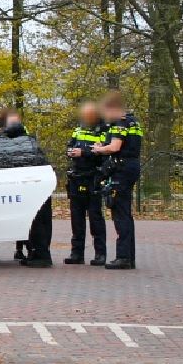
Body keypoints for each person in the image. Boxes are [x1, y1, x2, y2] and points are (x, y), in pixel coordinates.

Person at [91, 92, 143, 270]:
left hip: (122, 170)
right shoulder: (133, 121)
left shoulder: (120, 124)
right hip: (131, 166)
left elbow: (115, 147)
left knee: (120, 213)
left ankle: (123, 257)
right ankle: (129, 256)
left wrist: (99, 149)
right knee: (126, 213)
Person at [63, 101, 108, 266]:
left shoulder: (103, 129)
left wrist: (84, 152)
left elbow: (103, 153)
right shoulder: (79, 127)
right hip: (77, 176)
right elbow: (70, 144)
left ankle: (100, 254)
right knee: (76, 218)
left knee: (95, 217)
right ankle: (77, 253)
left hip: (93, 176)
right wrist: (70, 151)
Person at [0, 111, 38, 263]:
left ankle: (24, 249)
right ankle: (23, 249)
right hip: (6, 180)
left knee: (23, 217)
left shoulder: (21, 133)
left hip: (19, 180)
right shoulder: (2, 132)